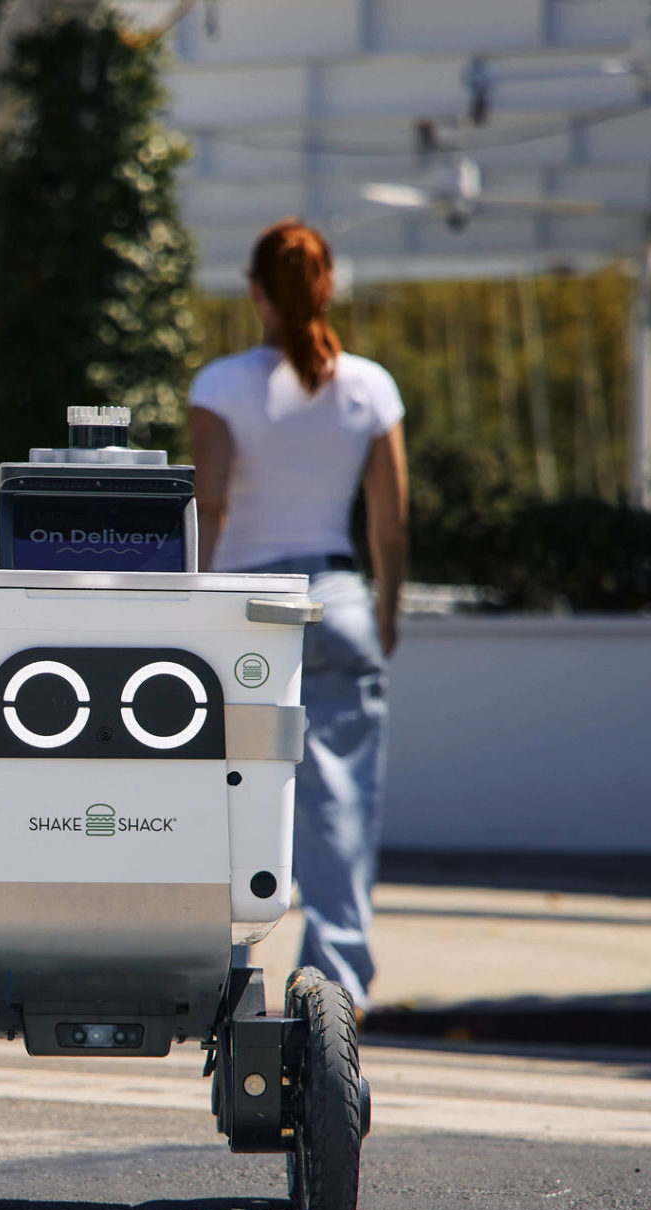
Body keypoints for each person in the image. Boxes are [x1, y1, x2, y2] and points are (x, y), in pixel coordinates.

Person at [188, 218, 407, 1014]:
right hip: (336, 602)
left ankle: (211, 972)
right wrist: (385, 612)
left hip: (242, 614)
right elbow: (388, 524)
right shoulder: (370, 387)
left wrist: (189, 609)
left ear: (253, 291)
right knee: (338, 806)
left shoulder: (219, 386)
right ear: (327, 288)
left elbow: (208, 505)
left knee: (220, 794)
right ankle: (335, 990)